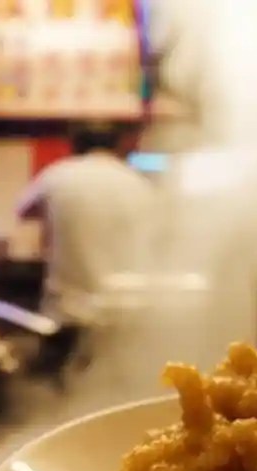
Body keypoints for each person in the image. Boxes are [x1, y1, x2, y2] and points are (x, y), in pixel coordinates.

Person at [17, 121, 157, 381]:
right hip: (126, 315)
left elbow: (23, 212)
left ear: (74, 145)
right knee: (123, 389)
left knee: (59, 387)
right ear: (117, 144)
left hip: (71, 314)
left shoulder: (58, 175)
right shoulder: (137, 182)